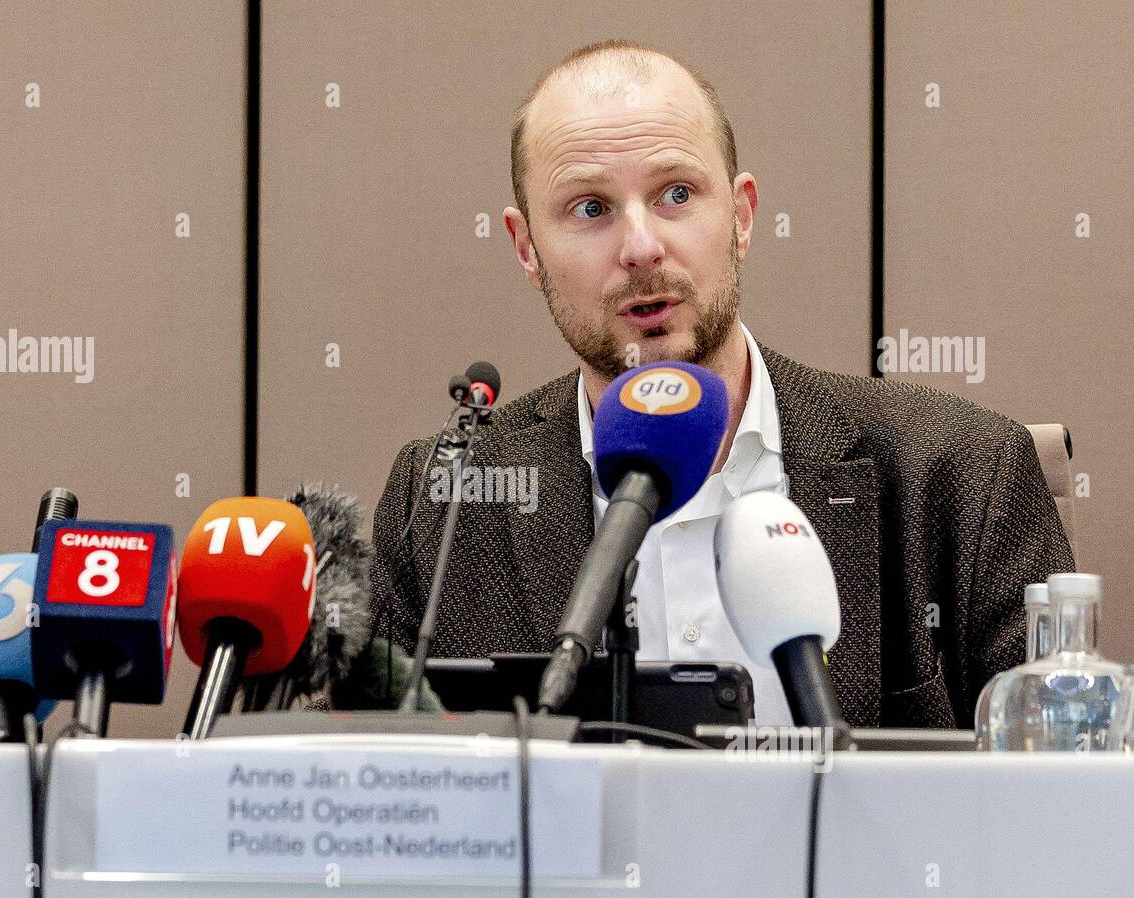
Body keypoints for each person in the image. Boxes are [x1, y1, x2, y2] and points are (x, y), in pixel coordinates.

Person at [371, 39, 1073, 728]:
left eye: (676, 194)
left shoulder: (959, 472)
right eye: (590, 208)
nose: (641, 248)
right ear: (527, 249)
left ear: (740, 216)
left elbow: (1064, 799)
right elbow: (379, 797)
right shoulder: (443, 500)